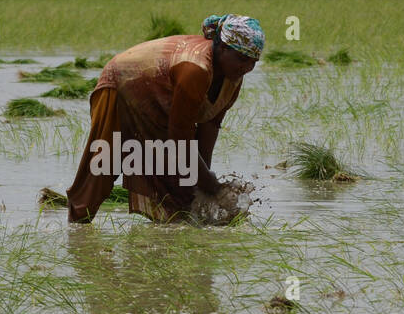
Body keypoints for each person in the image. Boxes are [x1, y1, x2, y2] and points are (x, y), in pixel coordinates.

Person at [65, 13, 263, 223]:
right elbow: (179, 136)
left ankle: (173, 234)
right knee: (104, 165)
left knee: (177, 181)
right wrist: (208, 183)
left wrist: (200, 179)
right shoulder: (196, 69)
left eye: (253, 62)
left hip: (160, 100)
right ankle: (78, 226)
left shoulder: (233, 77)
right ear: (223, 48)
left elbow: (210, 125)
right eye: (242, 59)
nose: (247, 68)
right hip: (123, 84)